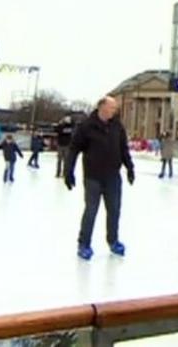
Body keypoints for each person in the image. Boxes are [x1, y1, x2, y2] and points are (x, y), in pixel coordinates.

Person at [65, 97, 135, 260]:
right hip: (93, 176)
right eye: (112, 107)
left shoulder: (117, 126)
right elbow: (74, 149)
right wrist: (69, 171)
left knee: (114, 211)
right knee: (91, 210)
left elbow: (123, 149)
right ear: (102, 107)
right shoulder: (86, 126)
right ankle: (84, 244)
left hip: (113, 177)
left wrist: (130, 167)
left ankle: (113, 241)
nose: (114, 110)